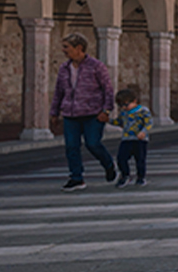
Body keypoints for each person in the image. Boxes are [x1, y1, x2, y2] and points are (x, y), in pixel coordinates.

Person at [51, 33, 117, 191]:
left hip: (92, 114)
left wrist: (106, 110)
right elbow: (59, 91)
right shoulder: (64, 68)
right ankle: (76, 178)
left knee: (93, 144)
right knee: (71, 147)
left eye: (67, 47)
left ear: (78, 48)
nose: (64, 50)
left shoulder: (96, 66)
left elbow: (108, 90)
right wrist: (54, 111)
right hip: (70, 114)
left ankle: (108, 164)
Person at [112, 88, 153, 188]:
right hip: (126, 139)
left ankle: (141, 177)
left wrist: (143, 132)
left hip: (139, 140)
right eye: (121, 105)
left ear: (134, 101)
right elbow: (119, 122)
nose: (124, 107)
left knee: (140, 159)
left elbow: (148, 122)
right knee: (121, 158)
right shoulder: (124, 113)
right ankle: (125, 175)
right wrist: (108, 120)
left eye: (126, 104)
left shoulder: (143, 110)